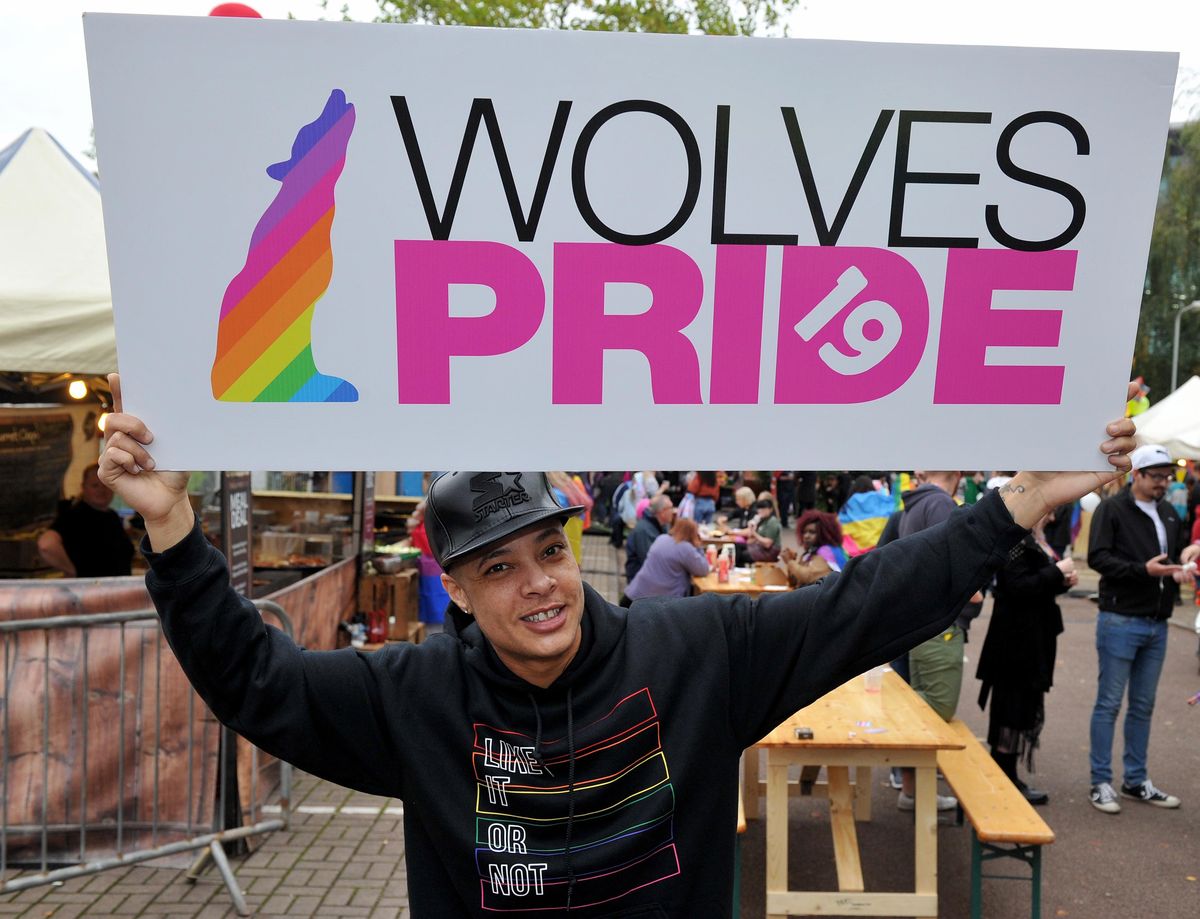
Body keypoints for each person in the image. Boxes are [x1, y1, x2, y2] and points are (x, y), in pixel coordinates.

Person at [97, 372, 1135, 916]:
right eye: (499, 568)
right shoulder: (412, 695)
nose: (541, 583)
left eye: (549, 549)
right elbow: (254, 680)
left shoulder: (697, 653)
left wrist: (1022, 501)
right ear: (455, 590)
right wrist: (175, 531)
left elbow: (858, 608)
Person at [1086, 444, 1187, 813]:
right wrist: (1142, 571)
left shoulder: (1169, 513)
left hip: (1157, 621)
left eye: (1167, 476)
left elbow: (1169, 558)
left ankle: (1135, 779)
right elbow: (1098, 557)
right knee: (1109, 704)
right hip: (1120, 618)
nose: (1163, 483)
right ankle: (1100, 781)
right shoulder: (1112, 508)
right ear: (1137, 475)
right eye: (1156, 476)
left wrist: (1184, 565)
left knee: (1143, 706)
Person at [976, 513, 1077, 805]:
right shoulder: (1016, 540)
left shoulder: (1034, 538)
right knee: (1012, 708)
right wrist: (1056, 572)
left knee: (1020, 707)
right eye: (1049, 507)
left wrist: (1063, 581)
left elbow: (1037, 585)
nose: (1053, 515)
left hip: (1032, 638)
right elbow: (1015, 585)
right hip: (1015, 643)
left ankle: (1008, 775)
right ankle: (1004, 777)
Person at [895, 470, 981, 811]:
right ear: (957, 471)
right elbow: (954, 563)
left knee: (923, 704)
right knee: (935, 708)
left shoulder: (915, 505)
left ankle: (913, 790)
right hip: (939, 624)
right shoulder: (942, 504)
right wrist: (973, 595)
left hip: (921, 622)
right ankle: (916, 789)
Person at [37, 463, 134, 577]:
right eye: (95, 485)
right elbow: (46, 545)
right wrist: (71, 571)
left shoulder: (112, 516)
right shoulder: (74, 516)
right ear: (83, 487)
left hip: (117, 590)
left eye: (105, 485)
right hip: (89, 592)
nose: (101, 490)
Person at [624, 518, 710, 602]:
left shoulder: (662, 538)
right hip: (656, 601)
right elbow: (703, 569)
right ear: (692, 533)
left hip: (635, 593)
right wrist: (698, 545)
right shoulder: (685, 548)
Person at [782, 510, 846, 587]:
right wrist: (791, 560)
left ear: (824, 533)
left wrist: (790, 562)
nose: (806, 536)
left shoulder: (826, 552)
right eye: (804, 532)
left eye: (812, 532)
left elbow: (808, 576)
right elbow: (795, 582)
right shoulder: (809, 553)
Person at [624, 494, 674, 584]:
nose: (673, 511)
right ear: (662, 512)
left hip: (652, 576)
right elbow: (649, 561)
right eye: (671, 508)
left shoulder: (662, 525)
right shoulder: (644, 531)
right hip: (641, 581)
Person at [745, 498, 782, 563]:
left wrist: (754, 533)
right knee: (738, 547)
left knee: (742, 555)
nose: (761, 511)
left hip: (769, 552)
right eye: (759, 508)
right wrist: (753, 526)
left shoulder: (772, 522)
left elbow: (767, 544)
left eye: (764, 509)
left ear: (770, 509)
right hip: (760, 547)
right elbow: (749, 540)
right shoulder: (762, 520)